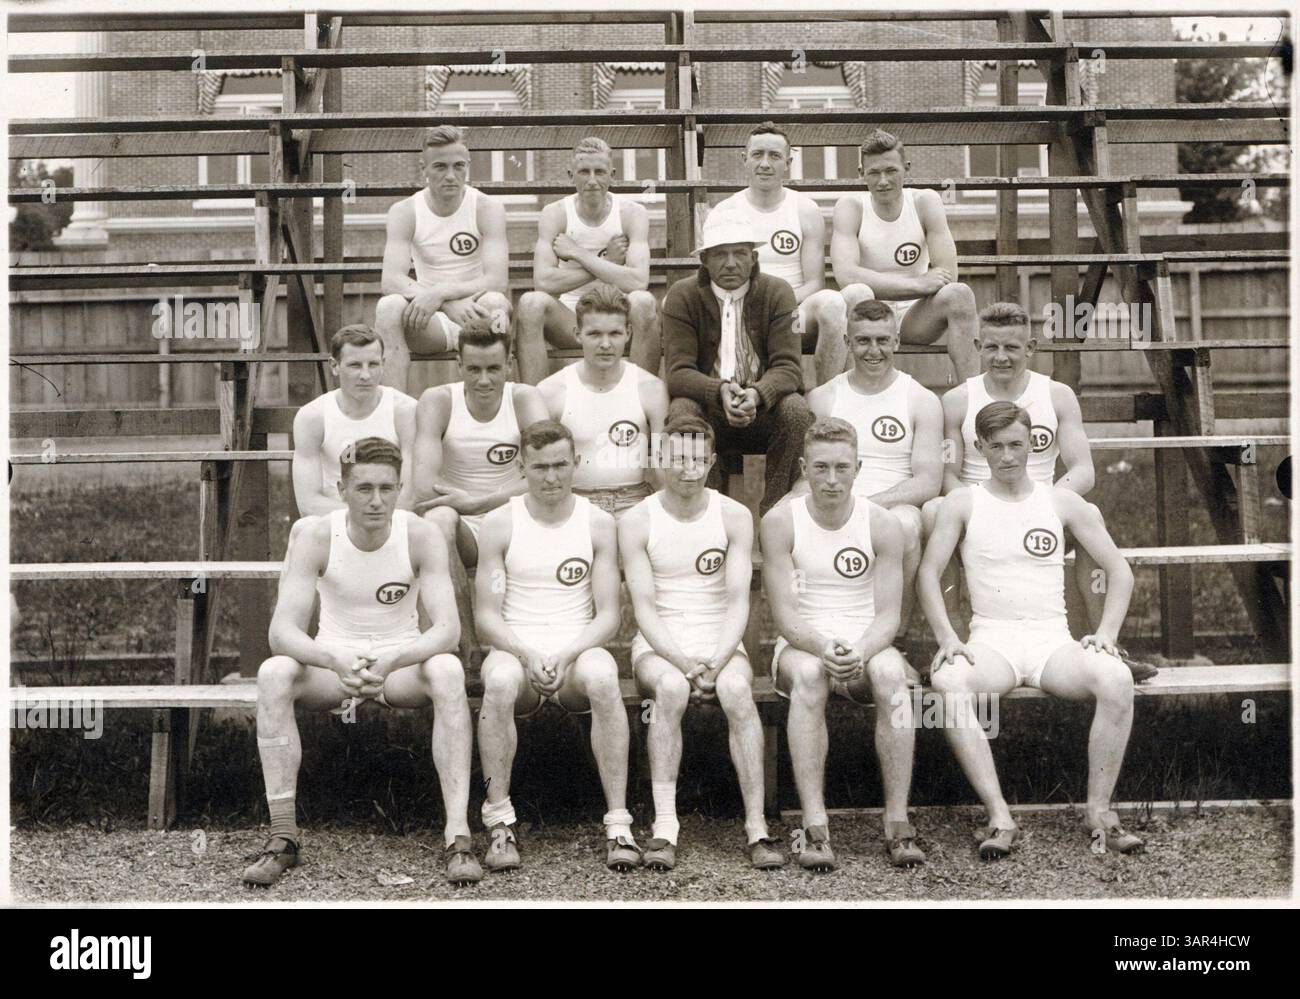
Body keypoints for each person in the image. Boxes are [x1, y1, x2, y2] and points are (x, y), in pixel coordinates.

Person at [243, 437, 481, 887]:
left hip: (399, 662)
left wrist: (393, 658)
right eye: (364, 488)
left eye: (387, 489)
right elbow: (282, 632)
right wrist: (334, 658)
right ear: (341, 488)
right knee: (274, 673)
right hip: (336, 663)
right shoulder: (317, 534)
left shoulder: (421, 533)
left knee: (448, 670)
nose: (376, 501)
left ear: (399, 488)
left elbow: (447, 630)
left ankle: (458, 836)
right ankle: (282, 836)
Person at [918, 401, 1144, 859]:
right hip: (992, 641)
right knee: (948, 681)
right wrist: (947, 636)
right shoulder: (963, 502)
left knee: (1117, 678)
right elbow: (927, 573)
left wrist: (1108, 633)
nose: (1006, 456)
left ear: (1034, 443)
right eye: (995, 446)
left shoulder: (1059, 501)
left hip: (1051, 643)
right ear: (978, 447)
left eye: (1016, 445)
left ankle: (1099, 811)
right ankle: (999, 814)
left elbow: (1120, 571)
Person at [922, 301, 1157, 682]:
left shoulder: (1057, 395)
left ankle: (1105, 643)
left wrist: (1042, 505)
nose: (1001, 357)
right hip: (977, 513)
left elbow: (1083, 471)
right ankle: (951, 645)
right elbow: (948, 476)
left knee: (1089, 513)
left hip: (1041, 507)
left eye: (1012, 347)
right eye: (992, 347)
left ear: (1030, 348)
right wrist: (982, 507)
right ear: (978, 346)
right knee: (936, 511)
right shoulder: (956, 401)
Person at [619, 415, 785, 871]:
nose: (687, 470)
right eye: (676, 459)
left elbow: (736, 602)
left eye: (696, 460)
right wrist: (681, 661)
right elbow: (645, 609)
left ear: (711, 462)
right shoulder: (637, 520)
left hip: (720, 642)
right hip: (660, 645)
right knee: (670, 689)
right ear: (659, 460)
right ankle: (665, 827)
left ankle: (757, 827)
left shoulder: (732, 514)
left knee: (735, 690)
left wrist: (716, 657)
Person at [473, 420, 638, 872]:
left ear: (576, 463)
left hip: (575, 647)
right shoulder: (500, 523)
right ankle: (499, 821)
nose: (551, 477)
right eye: (540, 467)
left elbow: (609, 614)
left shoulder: (599, 524)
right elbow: (486, 613)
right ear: (523, 467)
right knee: (502, 680)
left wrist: (565, 654)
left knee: (604, 676)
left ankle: (619, 822)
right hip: (516, 646)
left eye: (561, 465)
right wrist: (526, 654)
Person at [761, 418, 923, 872]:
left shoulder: (882, 523)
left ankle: (897, 822)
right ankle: (815, 826)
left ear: (859, 468)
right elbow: (786, 617)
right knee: (812, 676)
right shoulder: (779, 521)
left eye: (842, 468)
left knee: (893, 675)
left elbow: (889, 615)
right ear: (803, 467)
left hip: (865, 640)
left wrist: (861, 650)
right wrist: (823, 645)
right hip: (802, 644)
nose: (831, 480)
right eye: (820, 468)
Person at [661, 206, 813, 515]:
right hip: (711, 410)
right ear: (704, 259)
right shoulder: (682, 295)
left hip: (764, 411)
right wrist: (719, 391)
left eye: (740, 253)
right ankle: (706, 514)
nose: (731, 263)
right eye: (720, 254)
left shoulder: (778, 292)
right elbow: (678, 373)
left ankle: (776, 513)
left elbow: (789, 369)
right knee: (682, 411)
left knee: (797, 410)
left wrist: (757, 394)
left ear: (754, 258)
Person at [412, 317, 548, 659]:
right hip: (464, 529)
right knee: (439, 519)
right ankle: (467, 647)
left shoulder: (524, 399)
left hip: (516, 521)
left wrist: (476, 502)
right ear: (458, 365)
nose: (484, 380)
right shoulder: (439, 400)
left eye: (493, 368)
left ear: (510, 364)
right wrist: (469, 509)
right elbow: (424, 486)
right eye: (473, 369)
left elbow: (547, 475)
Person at [806, 299, 943, 626]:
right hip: (832, 499)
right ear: (847, 342)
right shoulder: (823, 398)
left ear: (896, 341)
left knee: (904, 525)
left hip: (893, 504)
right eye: (863, 340)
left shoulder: (921, 399)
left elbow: (927, 481)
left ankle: (896, 636)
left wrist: (867, 505)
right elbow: (811, 470)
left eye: (883, 340)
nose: (873, 350)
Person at [830, 127, 979, 383]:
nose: (883, 181)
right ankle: (848, 397)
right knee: (856, 293)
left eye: (891, 171)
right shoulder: (850, 206)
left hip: (915, 317)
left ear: (907, 168)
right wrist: (917, 283)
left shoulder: (925, 201)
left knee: (960, 294)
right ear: (860, 174)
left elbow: (947, 275)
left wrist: (900, 286)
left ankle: (971, 397)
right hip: (868, 314)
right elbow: (847, 276)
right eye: (874, 173)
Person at [374, 125, 512, 394]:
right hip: (428, 322)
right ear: (423, 168)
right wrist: (443, 304)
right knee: (388, 307)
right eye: (439, 167)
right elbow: (391, 280)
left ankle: (498, 405)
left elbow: (497, 280)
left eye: (459, 166)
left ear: (468, 166)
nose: (451, 176)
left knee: (496, 303)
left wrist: (442, 293)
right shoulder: (405, 211)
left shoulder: (487, 207)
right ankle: (395, 413)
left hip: (477, 315)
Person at [712, 121, 848, 385]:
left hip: (795, 316)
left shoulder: (805, 209)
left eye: (774, 156)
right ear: (744, 160)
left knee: (833, 303)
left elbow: (814, 284)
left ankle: (827, 403)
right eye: (757, 154)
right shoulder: (725, 211)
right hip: (743, 312)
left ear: (788, 162)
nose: (765, 163)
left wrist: (776, 305)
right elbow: (717, 280)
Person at [515, 136, 660, 383]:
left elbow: (638, 281)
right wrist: (609, 263)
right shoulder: (555, 214)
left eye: (599, 171)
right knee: (530, 303)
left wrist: (579, 253)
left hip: (618, 317)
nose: (592, 180)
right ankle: (535, 408)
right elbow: (543, 282)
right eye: (584, 172)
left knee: (644, 302)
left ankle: (640, 398)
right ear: (571, 174)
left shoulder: (631, 213)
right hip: (571, 319)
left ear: (612, 174)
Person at [538, 284, 668, 518]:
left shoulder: (652, 389)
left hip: (635, 502)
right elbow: (538, 470)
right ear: (578, 334)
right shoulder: (551, 391)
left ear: (628, 333)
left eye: (615, 334)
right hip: (573, 503)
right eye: (595, 334)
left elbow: (664, 468)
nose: (605, 344)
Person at [291, 324, 418, 518]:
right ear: (334, 366)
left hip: (394, 519)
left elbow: (409, 496)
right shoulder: (313, 416)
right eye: (355, 365)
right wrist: (364, 516)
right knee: (303, 529)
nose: (365, 375)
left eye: (373, 365)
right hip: (335, 518)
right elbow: (308, 503)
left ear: (383, 364)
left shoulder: (405, 411)